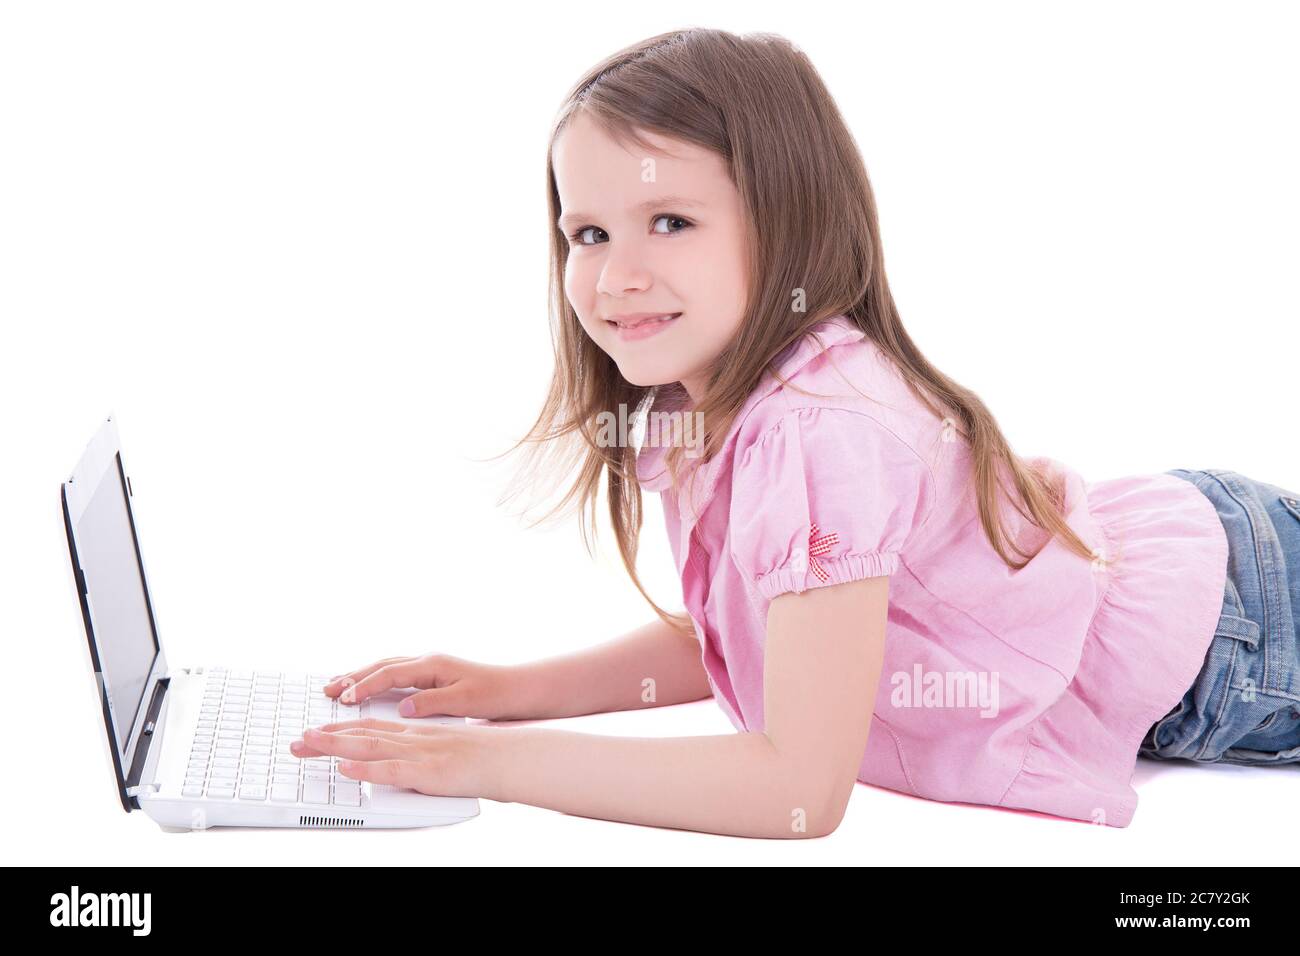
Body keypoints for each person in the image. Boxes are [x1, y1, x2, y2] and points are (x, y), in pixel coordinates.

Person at [290, 27, 1300, 836]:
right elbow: (766, 634)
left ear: (789, 223)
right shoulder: (718, 398)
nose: (614, 272)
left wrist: (490, 764)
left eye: (669, 222)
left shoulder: (819, 431)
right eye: (587, 232)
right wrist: (511, 691)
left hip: (1242, 630)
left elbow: (795, 791)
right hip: (1198, 559)